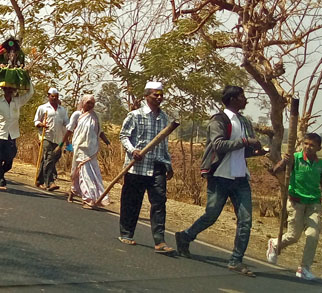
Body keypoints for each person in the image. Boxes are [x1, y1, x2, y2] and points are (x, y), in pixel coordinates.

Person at [176, 85, 265, 277]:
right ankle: (185, 236)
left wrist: (257, 151)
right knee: (211, 215)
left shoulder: (244, 121)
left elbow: (244, 151)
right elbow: (218, 145)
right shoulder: (219, 120)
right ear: (232, 99)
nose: (245, 99)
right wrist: (245, 142)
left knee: (246, 220)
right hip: (220, 175)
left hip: (240, 176)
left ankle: (236, 260)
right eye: (242, 96)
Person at [265, 132, 322, 281]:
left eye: (312, 145)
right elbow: (275, 171)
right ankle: (275, 244)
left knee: (312, 235)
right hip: (296, 202)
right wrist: (284, 161)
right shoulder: (295, 158)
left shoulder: (320, 164)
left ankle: (304, 268)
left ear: (318, 148)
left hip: (314, 203)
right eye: (306, 144)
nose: (308, 147)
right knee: (294, 236)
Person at [118, 81, 174, 253]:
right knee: (132, 201)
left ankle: (160, 241)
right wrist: (133, 150)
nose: (159, 98)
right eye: (155, 95)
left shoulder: (164, 118)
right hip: (137, 166)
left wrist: (168, 164)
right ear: (146, 96)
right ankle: (126, 233)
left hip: (157, 165)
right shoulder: (135, 115)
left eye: (161, 95)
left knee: (159, 202)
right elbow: (123, 136)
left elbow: (164, 144)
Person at [0, 83, 35, 190]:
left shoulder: (17, 102)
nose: (9, 91)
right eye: (7, 89)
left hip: (12, 134)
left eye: (11, 89)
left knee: (10, 159)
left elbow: (30, 93)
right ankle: (0, 181)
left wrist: (28, 79)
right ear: (3, 89)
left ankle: (0, 173)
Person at [68, 94, 111, 209]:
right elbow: (69, 130)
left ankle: (75, 191)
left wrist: (107, 142)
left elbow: (100, 132)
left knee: (92, 174)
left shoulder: (96, 116)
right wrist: (63, 144)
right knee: (84, 174)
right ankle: (87, 199)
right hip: (80, 148)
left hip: (91, 150)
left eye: (92, 103)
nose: (90, 105)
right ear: (83, 103)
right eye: (88, 102)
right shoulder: (77, 115)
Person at [34, 88, 70, 191]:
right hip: (46, 137)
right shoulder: (42, 108)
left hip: (58, 139)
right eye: (52, 96)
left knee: (52, 158)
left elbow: (66, 122)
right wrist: (41, 124)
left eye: (56, 96)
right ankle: (50, 182)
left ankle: (39, 180)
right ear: (48, 96)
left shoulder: (62, 110)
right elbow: (36, 121)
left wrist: (72, 127)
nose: (54, 98)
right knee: (49, 157)